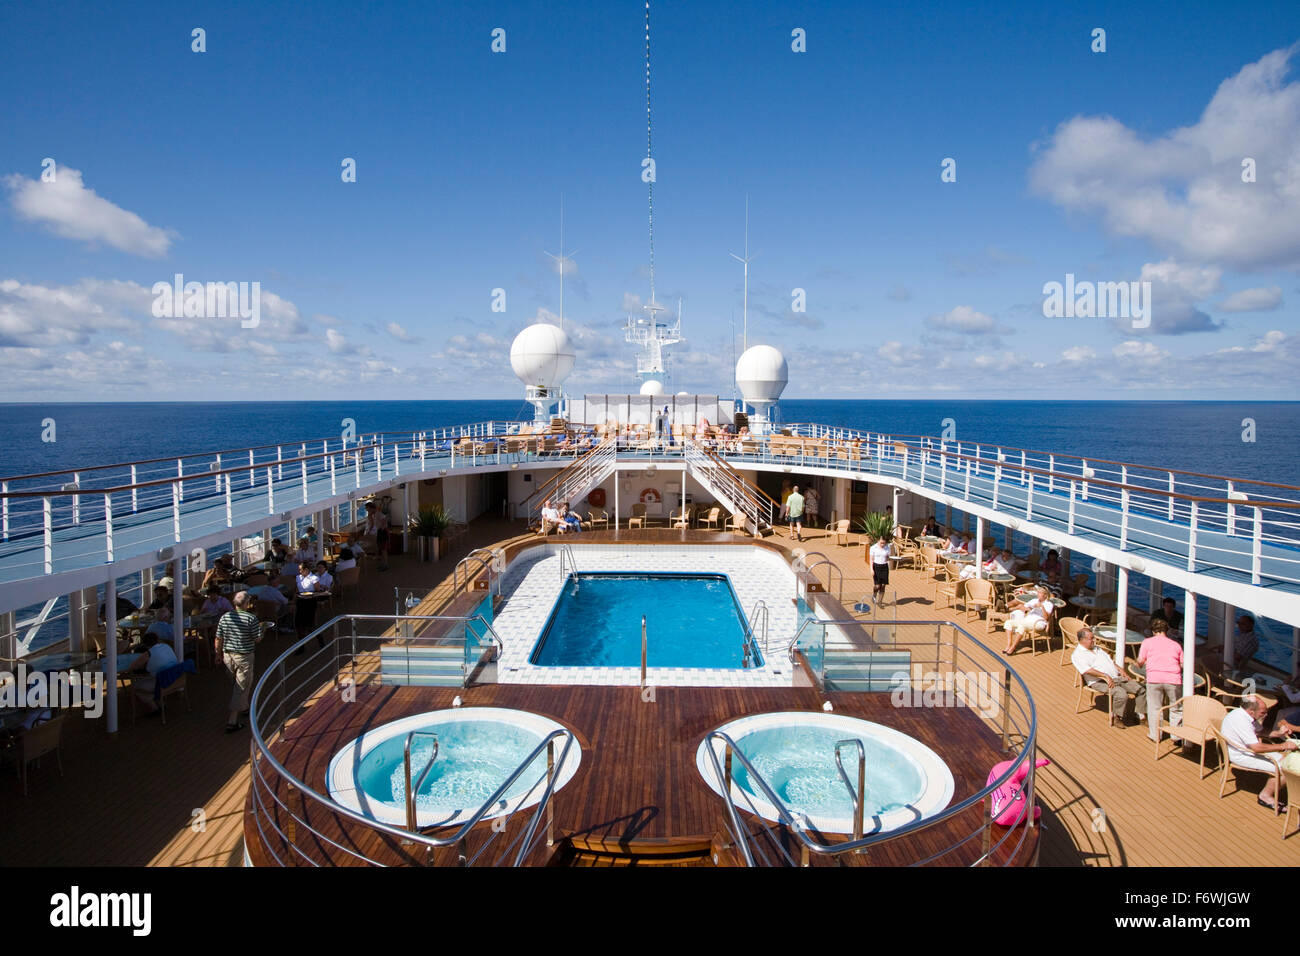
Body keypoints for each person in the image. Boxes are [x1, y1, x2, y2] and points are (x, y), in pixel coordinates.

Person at [1219, 697, 1298, 811]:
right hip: (1241, 755)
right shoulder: (1241, 721)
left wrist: (1278, 733)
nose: (1266, 715)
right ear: (1252, 711)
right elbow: (1256, 748)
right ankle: (1265, 796)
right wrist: (1283, 746)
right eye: (1263, 712)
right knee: (1285, 769)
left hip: (1246, 750)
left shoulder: (1246, 715)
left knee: (1283, 760)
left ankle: (1274, 788)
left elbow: (1260, 731)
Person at [1072, 627, 1146, 727]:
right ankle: (1116, 717)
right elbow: (1087, 670)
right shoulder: (1077, 654)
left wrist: (1121, 670)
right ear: (1082, 640)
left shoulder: (1097, 648)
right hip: (1099, 681)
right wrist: (1105, 676)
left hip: (1116, 677)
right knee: (1121, 694)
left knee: (1141, 689)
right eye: (1091, 638)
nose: (1094, 640)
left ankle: (1140, 716)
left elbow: (1111, 662)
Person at [214, 591, 263, 733]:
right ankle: (232, 721)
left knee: (237, 684)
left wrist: (218, 655)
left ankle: (245, 707)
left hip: (227, 656)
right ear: (247, 604)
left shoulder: (225, 617)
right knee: (241, 687)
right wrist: (263, 630)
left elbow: (218, 638)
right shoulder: (251, 619)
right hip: (244, 657)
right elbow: (257, 639)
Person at [1137, 619, 1183, 743]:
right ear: (1166, 630)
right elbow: (1182, 664)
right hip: (1173, 679)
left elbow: (1140, 661)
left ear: (1153, 631)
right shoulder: (1175, 645)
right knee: (1176, 707)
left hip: (1154, 678)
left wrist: (1143, 663)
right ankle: (1176, 736)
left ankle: (1155, 735)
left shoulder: (1147, 642)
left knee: (1154, 707)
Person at [129, 629, 180, 717]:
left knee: (136, 686)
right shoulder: (166, 646)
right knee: (151, 679)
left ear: (145, 645)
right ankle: (161, 704)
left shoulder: (149, 653)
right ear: (158, 640)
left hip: (162, 682)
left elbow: (133, 666)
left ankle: (154, 709)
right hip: (176, 679)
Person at [1003, 585, 1056, 655]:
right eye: (1038, 592)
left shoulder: (1049, 604)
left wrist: (1042, 607)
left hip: (1038, 623)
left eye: (1040, 593)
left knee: (1022, 626)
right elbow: (1023, 607)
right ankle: (1009, 644)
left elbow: (1046, 618)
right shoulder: (1034, 600)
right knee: (1008, 622)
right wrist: (1028, 608)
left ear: (1045, 595)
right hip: (1027, 620)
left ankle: (1013, 647)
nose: (1038, 594)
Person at [364, 502, 390, 571]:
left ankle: (385, 565)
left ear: (372, 508)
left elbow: (385, 519)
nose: (368, 511)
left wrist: (382, 528)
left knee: (383, 549)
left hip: (382, 532)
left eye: (368, 509)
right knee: (382, 548)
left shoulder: (378, 513)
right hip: (380, 531)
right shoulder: (375, 514)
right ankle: (384, 563)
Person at [869, 535, 892, 604]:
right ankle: (874, 595)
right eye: (881, 543)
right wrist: (871, 569)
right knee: (877, 585)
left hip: (884, 567)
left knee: (883, 585)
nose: (882, 544)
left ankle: (880, 601)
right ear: (878, 541)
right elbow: (871, 559)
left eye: (884, 543)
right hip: (876, 567)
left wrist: (889, 558)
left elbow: (887, 557)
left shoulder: (887, 547)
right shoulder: (873, 548)